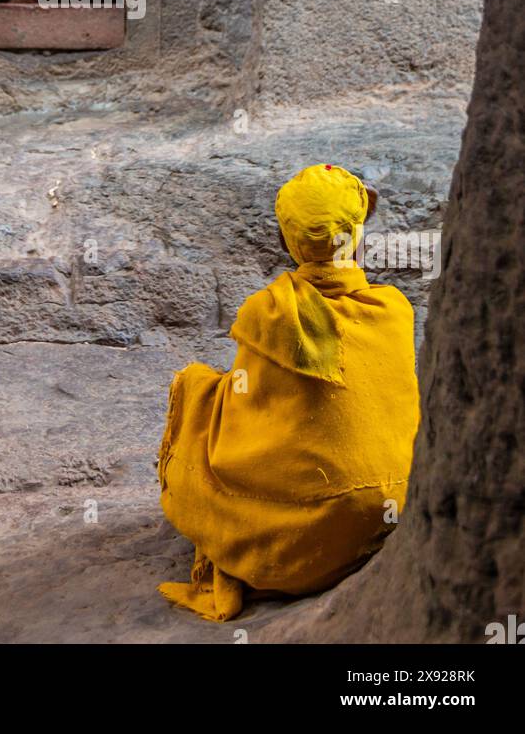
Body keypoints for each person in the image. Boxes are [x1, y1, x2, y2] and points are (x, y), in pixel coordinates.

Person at [158, 163, 420, 621]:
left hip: (297, 550)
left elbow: (247, 426)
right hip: (382, 519)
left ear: (286, 241)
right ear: (356, 238)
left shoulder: (268, 313)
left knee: (198, 388)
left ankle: (248, 525)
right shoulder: (393, 311)